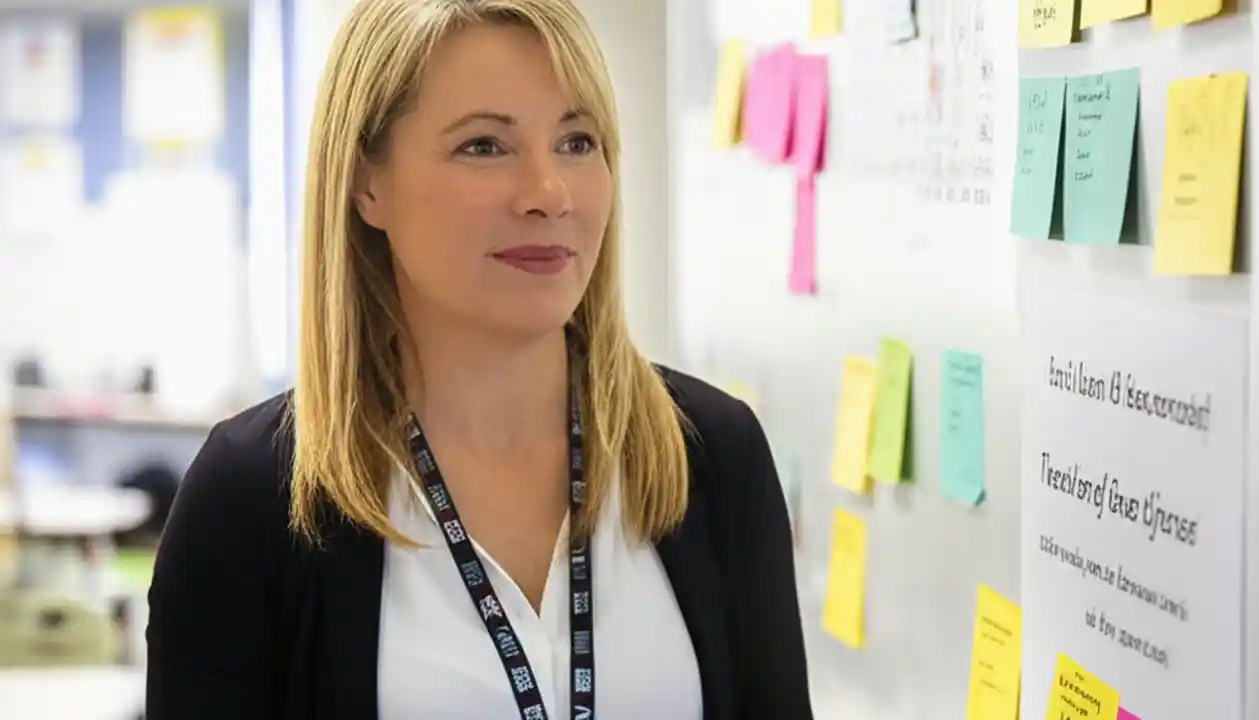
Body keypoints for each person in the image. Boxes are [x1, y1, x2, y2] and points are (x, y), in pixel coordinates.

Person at [144, 1, 812, 718]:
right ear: (367, 182)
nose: (548, 193)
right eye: (484, 147)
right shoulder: (253, 495)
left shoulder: (712, 455)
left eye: (578, 141)